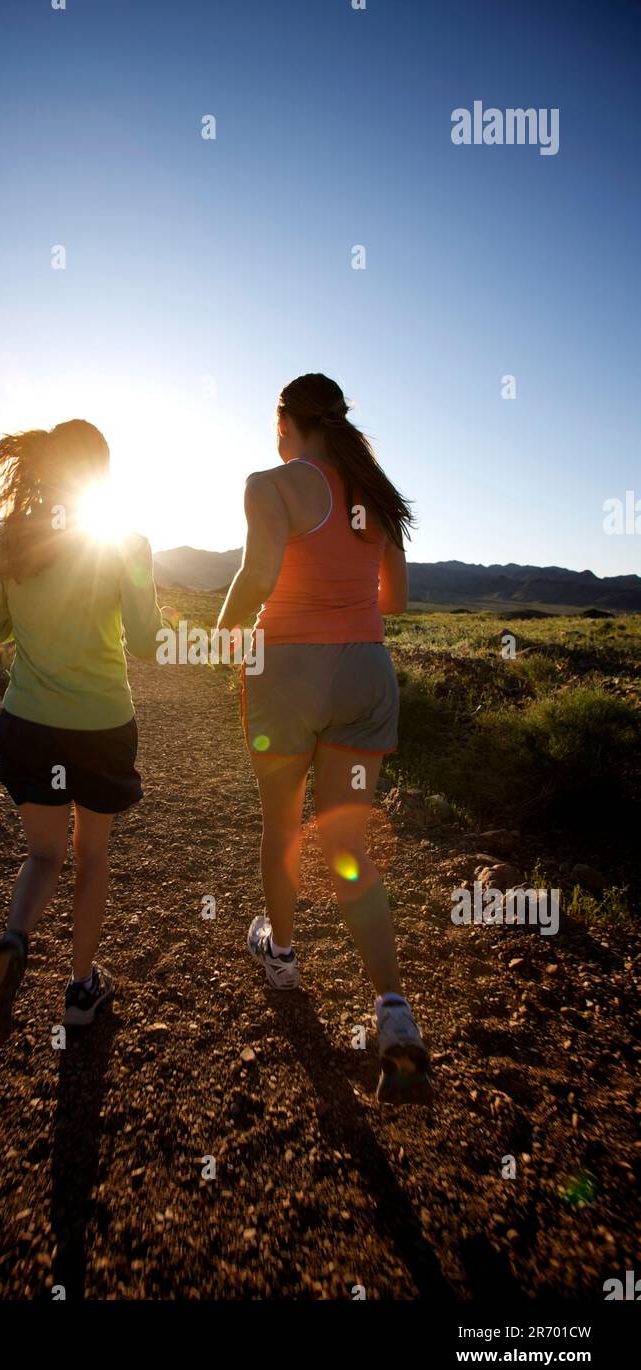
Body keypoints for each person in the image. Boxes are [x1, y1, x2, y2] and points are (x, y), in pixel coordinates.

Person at [216, 373, 432, 1105]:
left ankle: (281, 956)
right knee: (347, 846)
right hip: (366, 672)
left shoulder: (271, 483)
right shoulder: (378, 491)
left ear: (285, 421)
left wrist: (222, 636)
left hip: (286, 668)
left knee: (282, 825)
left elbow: (259, 572)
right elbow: (393, 601)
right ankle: (394, 1013)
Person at [0, 420, 162, 1046]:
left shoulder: (9, 541)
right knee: (90, 855)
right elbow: (152, 645)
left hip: (28, 725)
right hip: (100, 725)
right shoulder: (124, 541)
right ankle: (79, 992)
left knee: (43, 855)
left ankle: (13, 939)